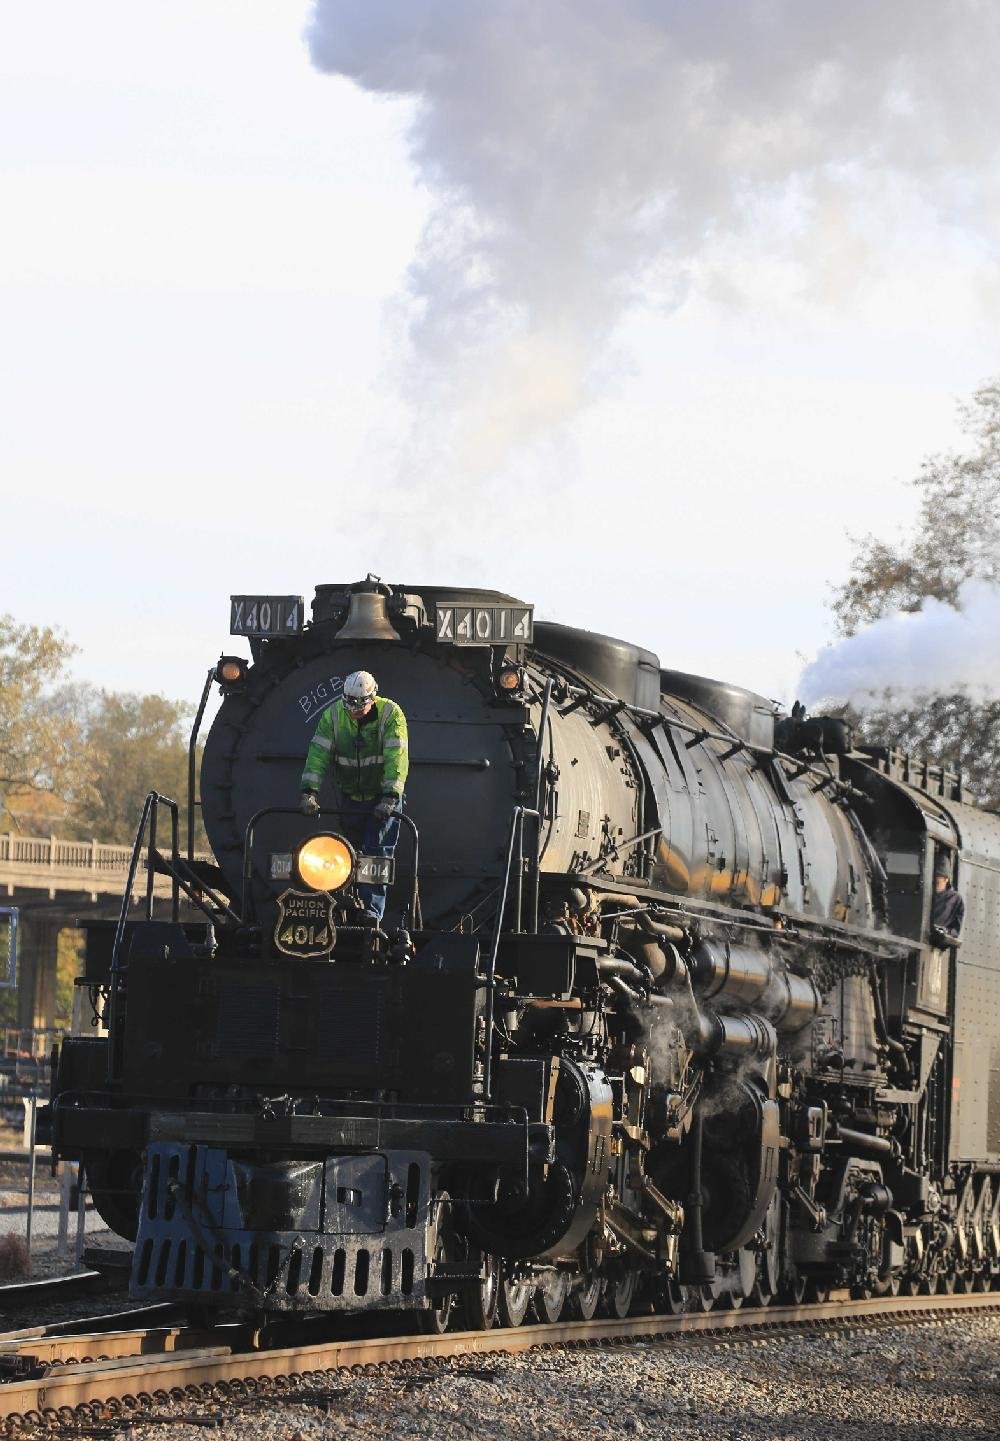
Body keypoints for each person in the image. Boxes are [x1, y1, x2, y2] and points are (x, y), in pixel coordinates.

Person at [299, 670, 408, 923]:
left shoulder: (391, 714)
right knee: (346, 851)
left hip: (383, 797)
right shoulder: (334, 715)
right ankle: (345, 908)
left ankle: (372, 912)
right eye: (350, 703)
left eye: (361, 704)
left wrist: (390, 797)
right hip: (351, 795)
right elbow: (318, 754)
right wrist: (308, 792)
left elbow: (396, 757)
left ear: (373, 697)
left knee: (376, 851)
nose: (355, 709)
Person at [930, 854, 964, 946]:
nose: (934, 885)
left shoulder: (956, 899)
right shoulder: (927, 893)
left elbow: (955, 930)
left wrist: (944, 932)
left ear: (946, 879)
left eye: (937, 882)